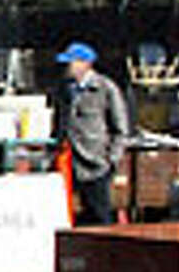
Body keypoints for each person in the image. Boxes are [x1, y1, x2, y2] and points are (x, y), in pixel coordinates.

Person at [53, 40, 130, 226]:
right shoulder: (64, 89)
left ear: (85, 64)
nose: (67, 67)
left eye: (70, 62)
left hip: (96, 165)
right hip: (69, 162)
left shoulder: (105, 88)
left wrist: (110, 159)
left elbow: (121, 129)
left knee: (100, 214)